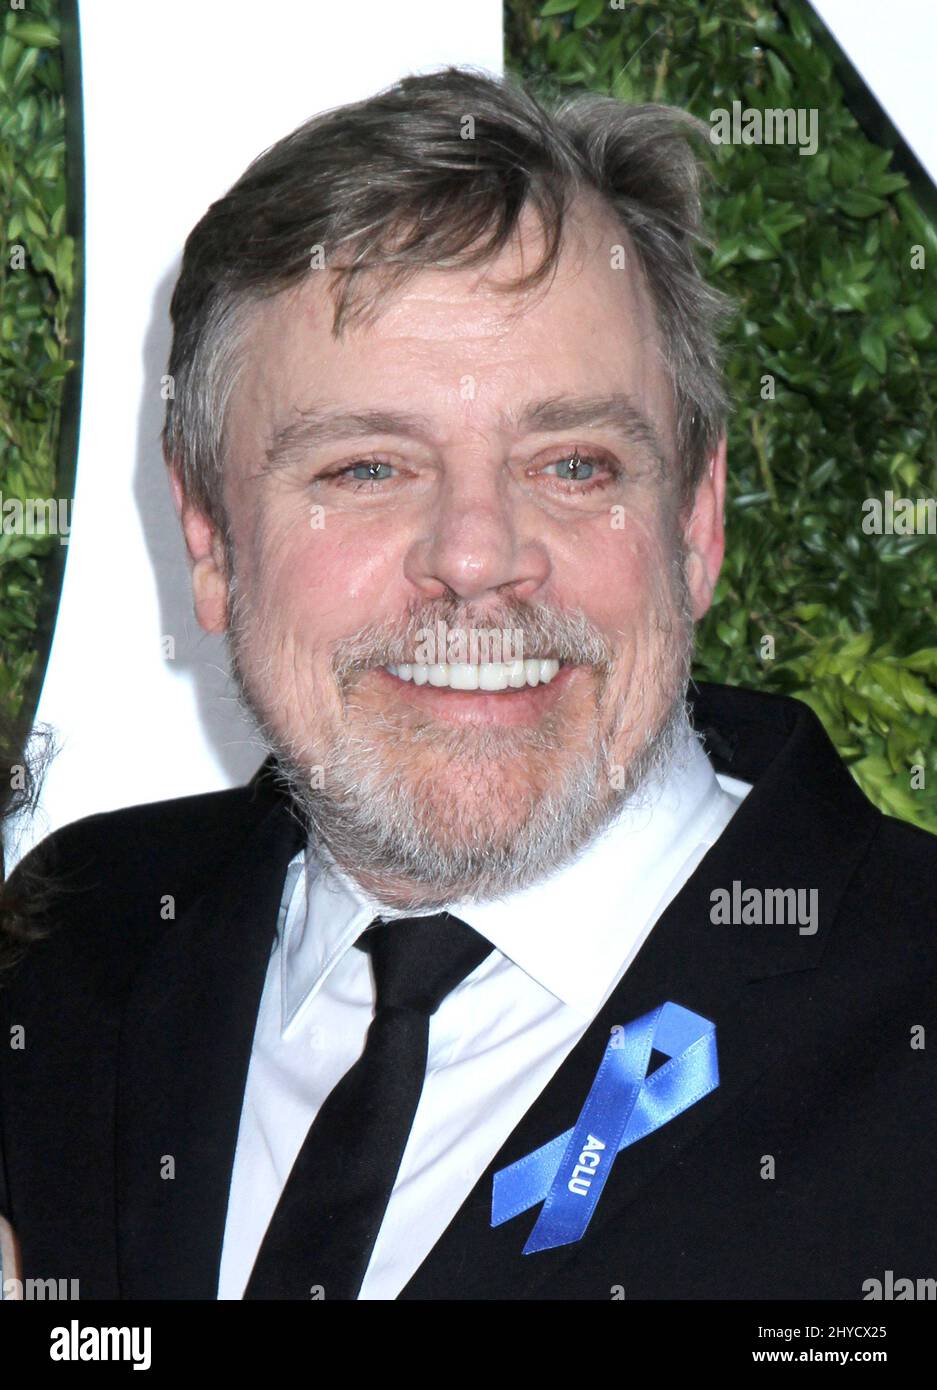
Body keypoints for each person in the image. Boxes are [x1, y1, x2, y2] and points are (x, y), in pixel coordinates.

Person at [1, 65, 935, 1302]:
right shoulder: (71, 944)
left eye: (574, 461)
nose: (477, 557)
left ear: (697, 522)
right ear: (212, 539)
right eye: (368, 467)